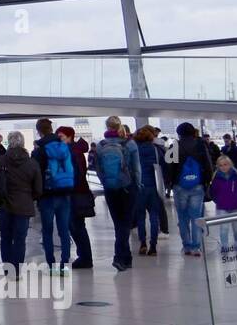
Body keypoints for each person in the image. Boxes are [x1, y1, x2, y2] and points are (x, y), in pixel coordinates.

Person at [0, 131, 41, 277]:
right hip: (24, 205)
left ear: (9, 142)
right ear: (23, 143)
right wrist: (30, 198)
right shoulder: (32, 163)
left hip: (3, 205)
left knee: (5, 237)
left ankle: (7, 268)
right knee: (20, 239)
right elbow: (38, 188)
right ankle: (16, 270)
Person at [94, 115, 141, 270]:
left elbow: (98, 169)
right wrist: (138, 184)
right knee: (126, 223)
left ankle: (126, 258)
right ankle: (119, 257)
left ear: (107, 127)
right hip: (128, 187)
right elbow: (136, 168)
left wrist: (105, 182)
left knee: (118, 224)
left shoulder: (100, 145)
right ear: (120, 125)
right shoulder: (130, 144)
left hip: (110, 188)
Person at [31, 118, 74, 270]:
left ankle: (51, 264)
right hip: (64, 192)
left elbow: (35, 174)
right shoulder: (64, 147)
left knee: (47, 231)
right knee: (64, 230)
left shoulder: (38, 151)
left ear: (39, 131)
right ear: (51, 129)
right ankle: (65, 263)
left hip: (47, 195)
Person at [172, 122, 213, 256]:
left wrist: (171, 183)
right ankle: (196, 247)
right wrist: (206, 181)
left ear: (179, 133)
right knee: (196, 217)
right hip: (197, 185)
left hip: (179, 186)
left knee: (183, 218)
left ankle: (187, 246)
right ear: (193, 132)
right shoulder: (201, 145)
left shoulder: (175, 146)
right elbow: (208, 164)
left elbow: (168, 167)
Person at [131, 126, 164, 256]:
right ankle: (153, 246)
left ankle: (143, 243)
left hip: (139, 187)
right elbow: (162, 165)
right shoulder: (155, 149)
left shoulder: (133, 150)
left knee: (140, 218)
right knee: (154, 216)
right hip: (153, 187)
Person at [66, 128, 95, 268]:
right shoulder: (77, 152)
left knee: (76, 226)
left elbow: (74, 175)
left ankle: (85, 257)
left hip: (74, 194)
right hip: (80, 193)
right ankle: (84, 256)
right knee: (77, 226)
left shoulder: (72, 153)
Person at [209, 154, 237, 251]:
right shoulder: (216, 178)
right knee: (224, 228)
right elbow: (212, 192)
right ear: (218, 166)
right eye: (221, 165)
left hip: (236, 207)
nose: (223, 167)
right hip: (222, 207)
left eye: (225, 164)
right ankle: (224, 247)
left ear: (230, 164)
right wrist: (218, 201)